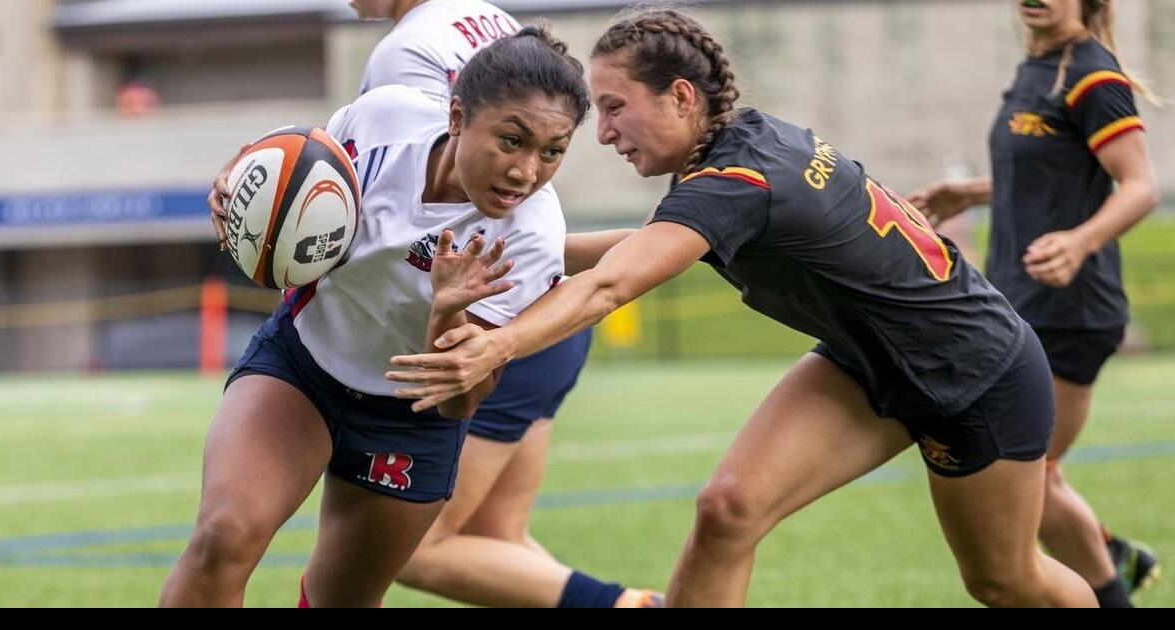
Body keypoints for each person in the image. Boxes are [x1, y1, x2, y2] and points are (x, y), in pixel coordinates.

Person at [386, 7, 1101, 607]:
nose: (602, 133)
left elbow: (612, 285)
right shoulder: (745, 148)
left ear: (680, 97)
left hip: (975, 377)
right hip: (867, 364)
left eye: (612, 108)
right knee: (726, 510)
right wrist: (521, 238)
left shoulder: (732, 182)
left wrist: (496, 344)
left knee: (1007, 582)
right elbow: (649, 244)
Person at [159, 27, 593, 607]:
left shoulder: (532, 236)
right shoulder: (385, 118)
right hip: (303, 366)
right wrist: (240, 185)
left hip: (410, 420)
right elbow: (296, 161)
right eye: (512, 140)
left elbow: (459, 403)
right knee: (223, 538)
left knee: (341, 599)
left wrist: (447, 309)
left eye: (552, 152)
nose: (526, 171)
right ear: (458, 117)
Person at [349, 0, 656, 607]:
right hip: (546, 316)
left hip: (501, 321)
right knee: (497, 537)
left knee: (409, 547)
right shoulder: (487, 18)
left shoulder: (403, 55)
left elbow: (421, 221)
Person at [908, 0, 1160, 607]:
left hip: (1069, 310)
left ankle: (1109, 578)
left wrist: (1082, 240)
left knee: (1027, 471)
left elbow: (1140, 184)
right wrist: (969, 192)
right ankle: (1112, 557)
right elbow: (1056, 169)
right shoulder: (1038, 68)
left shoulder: (1093, 75)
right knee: (1035, 471)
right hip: (1016, 303)